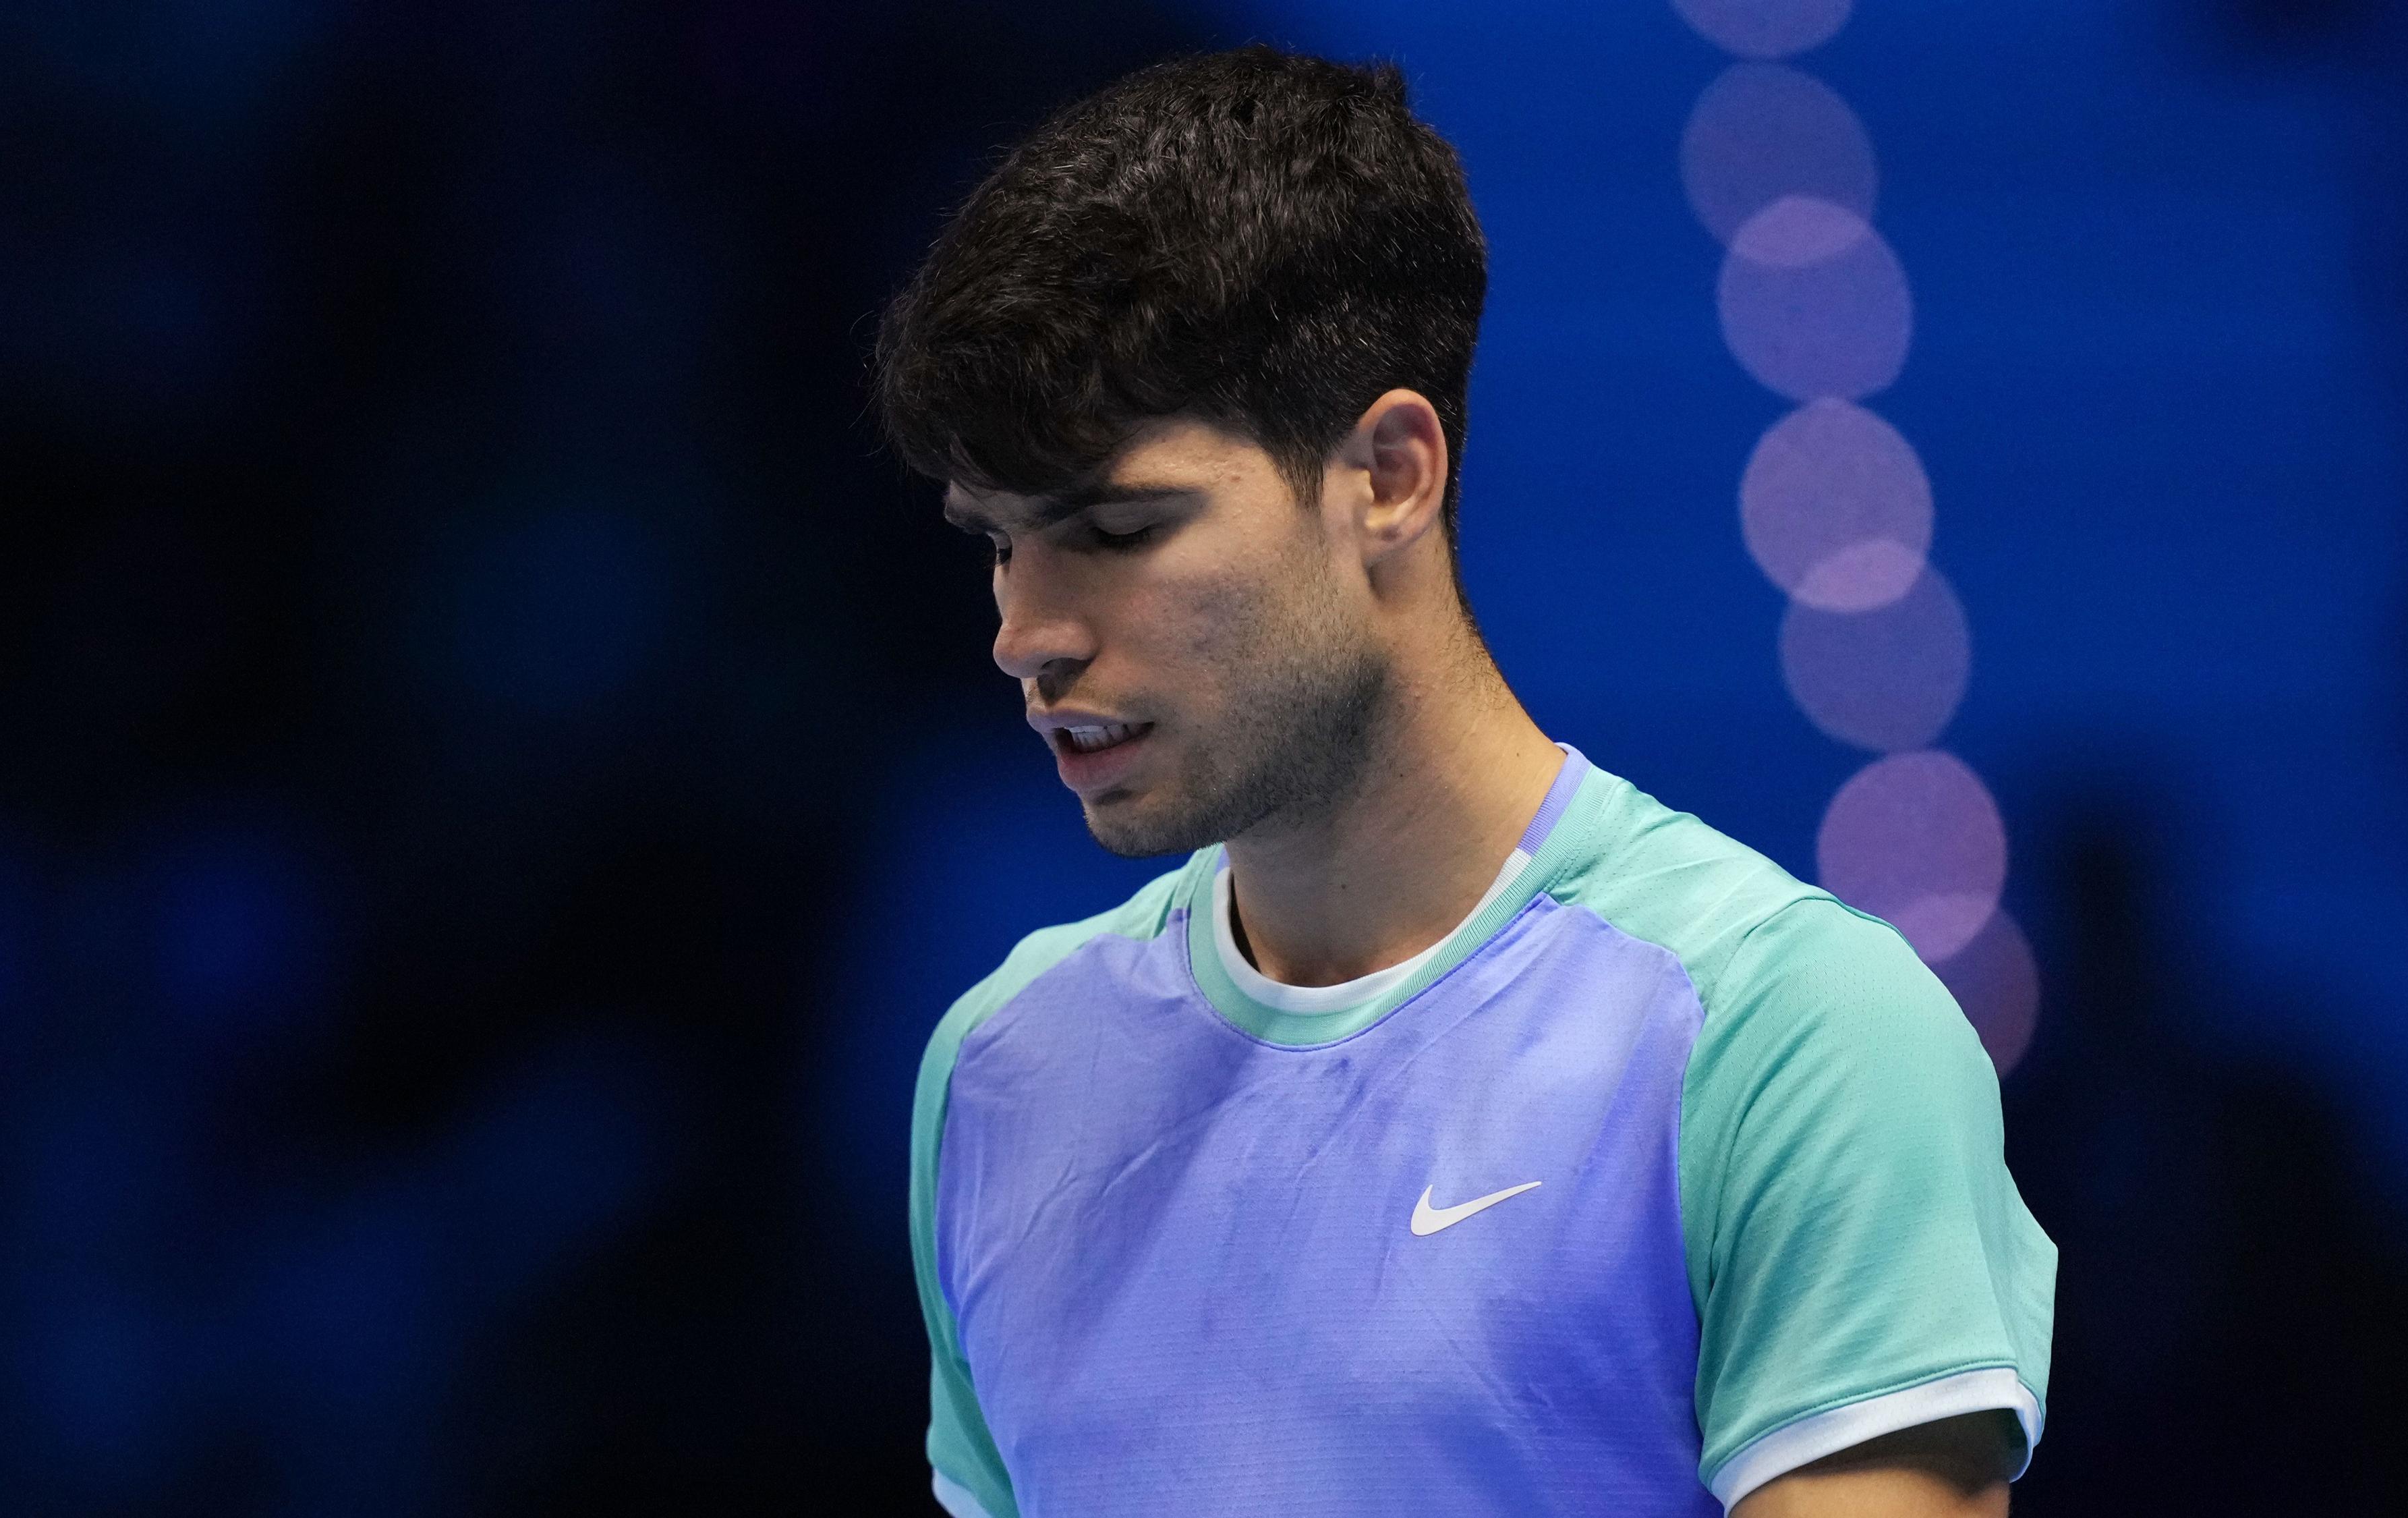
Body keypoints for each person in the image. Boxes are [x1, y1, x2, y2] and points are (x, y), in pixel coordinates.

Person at [871, 45, 2053, 1518]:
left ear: (1386, 475)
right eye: (996, 540)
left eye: (1116, 529)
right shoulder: (997, 1070)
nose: (1024, 635)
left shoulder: (1787, 1037)